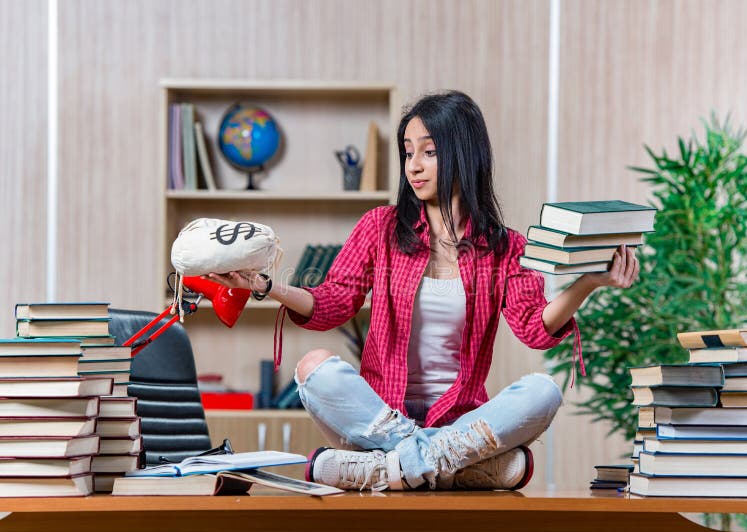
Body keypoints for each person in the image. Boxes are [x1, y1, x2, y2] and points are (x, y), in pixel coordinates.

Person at [207, 90, 639, 491]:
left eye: (429, 152)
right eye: (408, 152)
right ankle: (446, 464)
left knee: (544, 390)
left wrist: (587, 284)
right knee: (314, 367)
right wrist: (266, 286)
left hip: (461, 420)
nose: (413, 165)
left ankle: (387, 469)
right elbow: (333, 302)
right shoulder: (380, 227)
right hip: (380, 416)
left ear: (464, 155)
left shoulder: (507, 248)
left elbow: (533, 328)